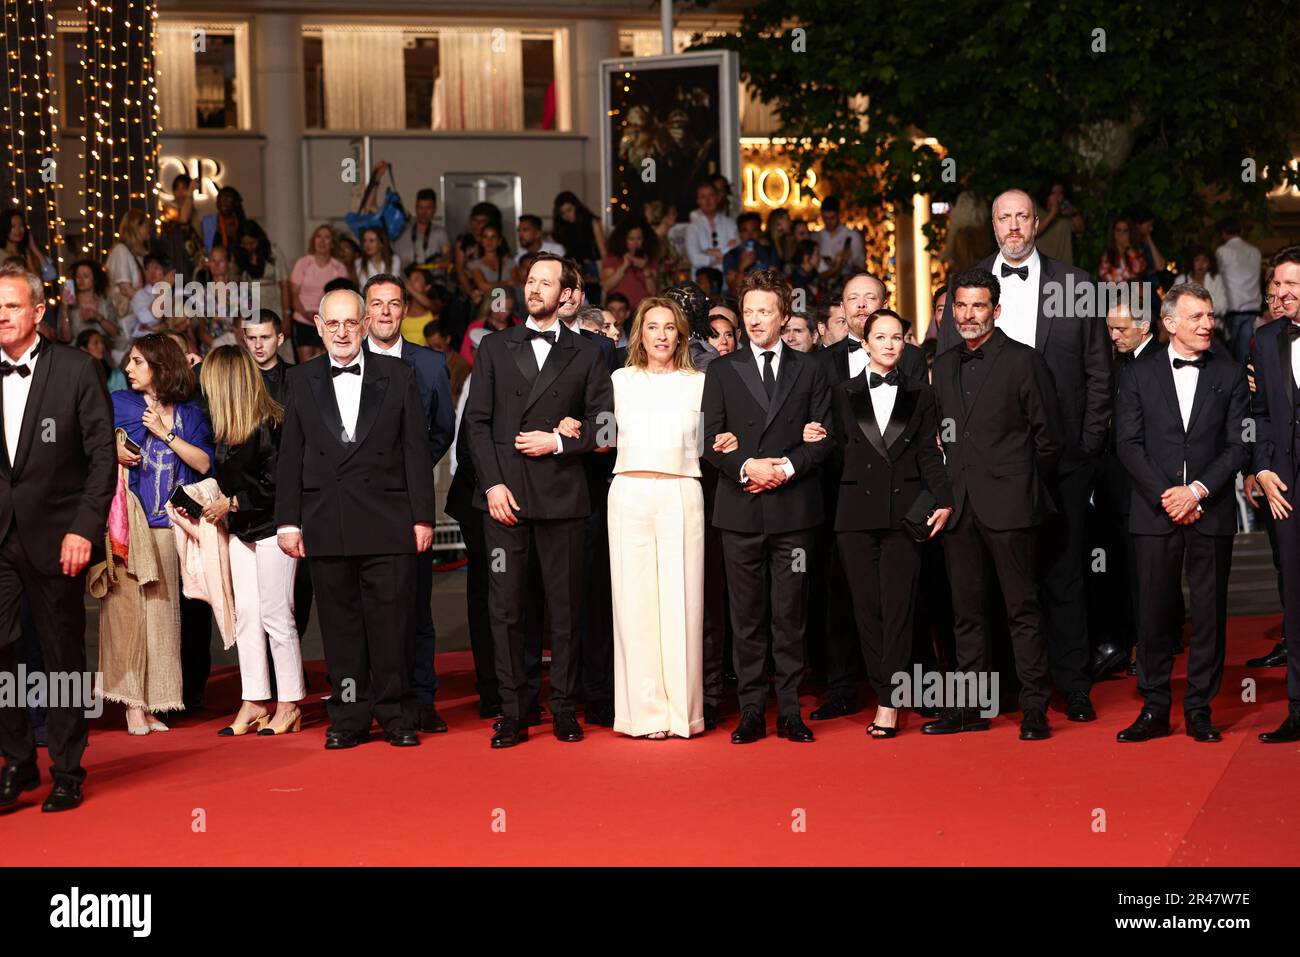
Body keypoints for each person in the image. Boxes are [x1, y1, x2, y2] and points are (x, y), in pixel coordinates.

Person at [937, 188, 1110, 723]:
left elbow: (1099, 373)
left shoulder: (1077, 284)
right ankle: (1001, 693)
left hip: (1062, 461)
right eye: (1004, 218)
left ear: (1038, 223)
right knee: (984, 589)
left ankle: (1072, 686)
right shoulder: (968, 286)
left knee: (1063, 576)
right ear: (993, 226)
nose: (1013, 227)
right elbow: (946, 369)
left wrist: (1086, 448)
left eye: (1022, 217)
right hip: (987, 466)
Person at [462, 253, 614, 748]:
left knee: (566, 610)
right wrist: (491, 485)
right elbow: (476, 426)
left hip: (564, 498)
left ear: (567, 293)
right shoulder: (494, 347)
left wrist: (561, 442)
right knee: (508, 610)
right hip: (505, 501)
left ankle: (566, 708)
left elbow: (607, 427)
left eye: (547, 282)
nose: (535, 288)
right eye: (530, 280)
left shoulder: (589, 352)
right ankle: (514, 711)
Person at [274, 288, 434, 749]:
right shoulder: (302, 380)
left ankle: (397, 715)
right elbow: (291, 456)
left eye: (351, 323)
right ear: (320, 328)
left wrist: (423, 517)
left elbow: (415, 453)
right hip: (328, 522)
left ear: (365, 326)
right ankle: (348, 719)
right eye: (333, 324)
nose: (342, 332)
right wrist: (288, 522)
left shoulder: (399, 374)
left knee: (393, 627)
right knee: (341, 631)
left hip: (389, 521)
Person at [926, 267, 1062, 740]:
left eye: (977, 305)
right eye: (960, 305)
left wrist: (1019, 486)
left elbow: (1049, 440)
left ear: (996, 310)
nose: (967, 314)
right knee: (966, 613)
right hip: (959, 509)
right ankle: (970, 709)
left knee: (1022, 610)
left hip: (1011, 507)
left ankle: (1035, 708)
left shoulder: (1024, 361)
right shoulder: (942, 366)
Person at [701, 267, 833, 744]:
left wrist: (786, 468)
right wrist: (746, 466)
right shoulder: (720, 370)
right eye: (749, 312)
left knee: (790, 614)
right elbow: (708, 440)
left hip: (793, 508)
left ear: (784, 316)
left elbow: (824, 436)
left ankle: (792, 710)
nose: (755, 320)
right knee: (747, 616)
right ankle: (753, 710)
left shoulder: (810, 368)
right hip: (739, 510)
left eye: (764, 312)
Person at [0, 263, 115, 813]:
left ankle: (67, 768)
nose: (1, 314)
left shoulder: (76, 369)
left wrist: (83, 529)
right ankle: (19, 761)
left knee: (61, 656)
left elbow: (101, 462)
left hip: (57, 538)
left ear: (39, 311)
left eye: (13, 305)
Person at [1114, 283, 1249, 743]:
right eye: (1197, 317)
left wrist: (1196, 491)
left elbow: (1239, 445)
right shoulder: (1136, 374)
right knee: (1152, 614)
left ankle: (1200, 709)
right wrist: (1168, 495)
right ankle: (1153, 707)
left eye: (1210, 316)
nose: (1208, 324)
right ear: (1170, 323)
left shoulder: (1229, 376)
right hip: (1154, 511)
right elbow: (1127, 445)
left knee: (1210, 614)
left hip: (1210, 509)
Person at [830, 309, 953, 736]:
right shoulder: (841, 393)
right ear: (864, 343)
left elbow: (928, 454)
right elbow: (833, 452)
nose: (887, 344)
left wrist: (944, 499)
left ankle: (889, 701)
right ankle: (884, 688)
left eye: (896, 337)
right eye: (879, 337)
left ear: (905, 344)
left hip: (904, 514)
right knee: (867, 611)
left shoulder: (922, 394)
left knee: (899, 609)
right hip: (854, 514)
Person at [607, 297, 706, 738]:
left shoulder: (700, 382)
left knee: (683, 603)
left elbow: (711, 440)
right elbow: (599, 432)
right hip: (628, 491)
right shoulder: (618, 380)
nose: (661, 335)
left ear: (681, 334)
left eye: (669, 327)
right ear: (640, 334)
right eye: (652, 327)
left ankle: (682, 715)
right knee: (634, 605)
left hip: (682, 490)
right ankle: (644, 715)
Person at [360, 273, 455, 733]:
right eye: (376, 303)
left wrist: (411, 473)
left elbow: (442, 430)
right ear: (365, 312)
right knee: (364, 607)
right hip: (356, 504)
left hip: (409, 503)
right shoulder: (345, 360)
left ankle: (421, 700)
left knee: (416, 608)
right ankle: (367, 701)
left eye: (393, 304)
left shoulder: (431, 365)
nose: (385, 311)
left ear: (404, 311)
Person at [109, 334, 214, 733]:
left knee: (162, 619)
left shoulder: (189, 412)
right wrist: (112, 449)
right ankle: (132, 704)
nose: (129, 369)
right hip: (130, 524)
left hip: (173, 528)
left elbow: (204, 463)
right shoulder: (119, 404)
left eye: (138, 362)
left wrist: (166, 432)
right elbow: (82, 442)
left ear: (160, 365)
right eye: (130, 361)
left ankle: (154, 702)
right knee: (129, 616)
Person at [199, 346, 304, 737]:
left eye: (209, 380)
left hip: (276, 528)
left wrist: (233, 502)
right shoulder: (224, 426)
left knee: (278, 615)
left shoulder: (272, 423)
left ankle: (290, 701)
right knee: (247, 616)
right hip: (242, 529)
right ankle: (255, 697)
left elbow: (281, 485)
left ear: (226, 382)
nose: (204, 387)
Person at [1245, 247, 1300, 743]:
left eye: (1290, 285)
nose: (1280, 293)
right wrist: (1260, 467)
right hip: (1286, 485)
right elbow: (1259, 413)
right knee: (1295, 597)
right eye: (1276, 286)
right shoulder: (1263, 339)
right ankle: (1299, 709)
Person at [1090, 300, 1158, 680]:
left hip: (1147, 487)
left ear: (1144, 326)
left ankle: (1145, 645)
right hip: (1113, 484)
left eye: (1120, 329)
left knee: (1143, 573)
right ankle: (1122, 640)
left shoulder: (1160, 362)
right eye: (1110, 329)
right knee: (1115, 568)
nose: (1112, 337)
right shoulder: (1114, 364)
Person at [290, 225, 347, 364]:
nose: (322, 241)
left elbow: (342, 298)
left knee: (327, 363)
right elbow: (294, 295)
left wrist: (324, 318)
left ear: (332, 243)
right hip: (303, 319)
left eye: (327, 237)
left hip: (329, 322)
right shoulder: (303, 263)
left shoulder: (339, 267)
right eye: (318, 237)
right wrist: (307, 314)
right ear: (313, 240)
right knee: (306, 365)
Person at [1215, 217, 1262, 362]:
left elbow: (1217, 278)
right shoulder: (1255, 251)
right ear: (1241, 231)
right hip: (1252, 308)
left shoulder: (1222, 251)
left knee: (1226, 354)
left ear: (1223, 233)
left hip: (1231, 308)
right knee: (1245, 356)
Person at [61, 259, 123, 358]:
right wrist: (64, 309)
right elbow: (66, 338)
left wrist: (98, 318)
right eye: (78, 276)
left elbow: (115, 333)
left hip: (102, 355)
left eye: (85, 276)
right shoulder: (70, 303)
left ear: (95, 280)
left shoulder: (104, 301)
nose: (80, 280)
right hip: (77, 356)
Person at [552, 192, 607, 304]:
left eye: (569, 210)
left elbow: (602, 251)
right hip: (572, 268)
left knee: (595, 304)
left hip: (592, 268)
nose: (567, 215)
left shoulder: (592, 221)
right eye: (563, 213)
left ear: (576, 206)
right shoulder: (562, 228)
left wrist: (604, 274)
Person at [234, 221, 290, 324]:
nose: (249, 247)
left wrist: (286, 314)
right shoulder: (240, 255)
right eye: (245, 244)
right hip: (251, 307)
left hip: (274, 303)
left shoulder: (273, 252)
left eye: (252, 243)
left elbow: (284, 284)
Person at [600, 216, 660, 310]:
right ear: (623, 239)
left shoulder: (650, 258)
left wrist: (645, 268)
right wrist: (623, 267)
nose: (635, 243)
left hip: (642, 310)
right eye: (631, 239)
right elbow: (606, 287)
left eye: (639, 239)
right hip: (619, 313)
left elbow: (653, 292)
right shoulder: (612, 257)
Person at [685, 180, 739, 280]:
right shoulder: (693, 227)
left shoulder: (729, 223)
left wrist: (707, 252)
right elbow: (695, 259)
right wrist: (722, 255)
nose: (707, 200)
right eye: (703, 197)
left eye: (711, 195)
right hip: (701, 284)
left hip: (726, 282)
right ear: (698, 201)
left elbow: (734, 251)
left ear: (717, 198)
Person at [394, 188, 452, 275]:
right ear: (415, 208)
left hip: (431, 281)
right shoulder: (403, 228)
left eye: (428, 208)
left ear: (434, 209)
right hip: (405, 279)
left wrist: (444, 260)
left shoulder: (439, 232)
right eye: (420, 207)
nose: (424, 212)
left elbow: (447, 253)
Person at [723, 212, 781, 296]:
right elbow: (734, 292)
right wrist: (742, 268)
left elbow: (775, 285)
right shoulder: (731, 256)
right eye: (745, 231)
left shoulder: (769, 251)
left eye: (754, 230)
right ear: (739, 233)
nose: (750, 235)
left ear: (759, 231)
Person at [106, 209, 151, 316]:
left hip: (136, 313)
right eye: (146, 226)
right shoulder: (121, 250)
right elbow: (125, 289)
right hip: (124, 317)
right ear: (136, 228)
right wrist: (149, 304)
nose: (149, 229)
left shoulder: (137, 255)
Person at [241, 309, 289, 406]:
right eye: (252, 338)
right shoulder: (236, 376)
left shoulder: (296, 377)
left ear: (279, 339)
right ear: (245, 340)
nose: (258, 345)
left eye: (265, 337)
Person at [815, 196, 864, 287]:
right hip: (821, 286)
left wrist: (846, 261)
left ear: (839, 215)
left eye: (832, 218)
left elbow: (860, 266)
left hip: (845, 285)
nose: (829, 222)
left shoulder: (852, 236)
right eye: (826, 218)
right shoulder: (817, 237)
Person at [1034, 181, 1084, 266]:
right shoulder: (1036, 211)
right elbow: (1033, 232)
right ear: (1046, 195)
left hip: (1065, 268)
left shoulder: (1066, 214)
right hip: (1041, 269)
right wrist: (1052, 214)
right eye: (1054, 193)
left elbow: (1081, 229)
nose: (1057, 197)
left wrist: (1074, 213)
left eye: (1060, 193)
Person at [1174, 245, 1229, 320]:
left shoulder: (1216, 279)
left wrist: (1200, 312)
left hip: (1214, 327)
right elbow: (1173, 306)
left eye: (1205, 260)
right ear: (1191, 262)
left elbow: (1223, 307)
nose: (1201, 264)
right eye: (1197, 260)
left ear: (1210, 263)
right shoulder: (1181, 281)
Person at [424, 319, 470, 405]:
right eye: (430, 347)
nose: (434, 351)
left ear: (448, 339)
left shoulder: (462, 366)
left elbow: (464, 402)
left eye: (438, 346)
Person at [464, 223, 513, 295]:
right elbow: (483, 286)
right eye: (485, 237)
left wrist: (491, 285)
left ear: (499, 241)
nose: (489, 241)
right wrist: (507, 283)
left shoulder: (510, 262)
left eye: (493, 237)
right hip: (488, 304)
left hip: (509, 303)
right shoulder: (474, 265)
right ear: (481, 240)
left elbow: (515, 284)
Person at [1096, 217, 1148, 284]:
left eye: (1125, 231)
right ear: (1113, 232)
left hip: (1135, 292)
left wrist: (1129, 250)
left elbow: (1140, 270)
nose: (1121, 234)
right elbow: (1105, 278)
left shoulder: (1136, 252)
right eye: (1118, 230)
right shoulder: (1107, 255)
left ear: (1130, 233)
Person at [201, 186, 247, 255]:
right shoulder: (208, 222)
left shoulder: (242, 223)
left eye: (228, 199)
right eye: (221, 199)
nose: (224, 203)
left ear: (235, 202)